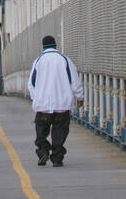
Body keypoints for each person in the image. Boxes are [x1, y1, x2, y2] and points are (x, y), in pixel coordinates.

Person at [27, 35, 84, 167]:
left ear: (43, 46)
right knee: (60, 131)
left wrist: (37, 98)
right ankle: (57, 158)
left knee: (41, 131)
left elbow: (31, 84)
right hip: (62, 104)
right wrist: (79, 97)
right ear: (55, 45)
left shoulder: (38, 61)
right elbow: (74, 82)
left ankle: (43, 151)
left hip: (43, 105)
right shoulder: (65, 60)